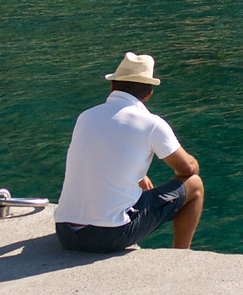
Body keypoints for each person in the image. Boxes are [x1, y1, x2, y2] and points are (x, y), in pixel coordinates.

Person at [54, 52, 204, 253]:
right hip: (107, 236)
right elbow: (188, 168)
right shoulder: (152, 123)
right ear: (148, 94)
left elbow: (101, 154)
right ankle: (180, 256)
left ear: (112, 86)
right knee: (194, 185)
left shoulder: (85, 117)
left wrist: (139, 175)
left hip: (66, 233)